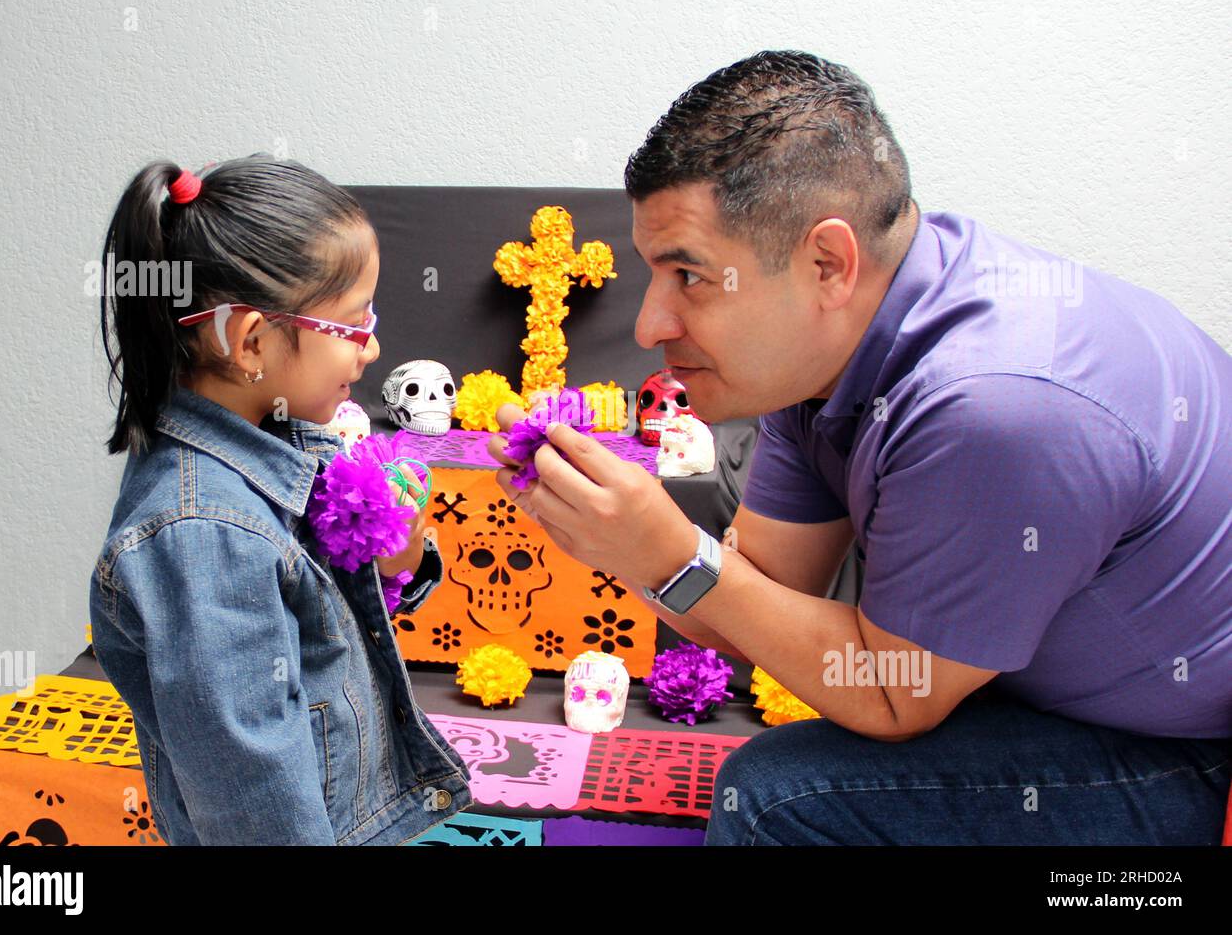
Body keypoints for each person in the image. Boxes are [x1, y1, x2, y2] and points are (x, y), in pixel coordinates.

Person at [488, 51, 1232, 844]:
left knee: (776, 796)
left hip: (1192, 753)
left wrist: (669, 554)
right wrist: (632, 547)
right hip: (1051, 695)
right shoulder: (830, 358)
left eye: (691, 277)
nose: (649, 325)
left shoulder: (993, 411)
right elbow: (750, 602)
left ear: (827, 264)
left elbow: (892, 696)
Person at [89, 154, 472, 844]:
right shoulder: (203, 533)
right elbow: (251, 794)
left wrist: (400, 552)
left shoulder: (282, 438)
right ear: (252, 341)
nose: (372, 347)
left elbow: (332, 609)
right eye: (354, 326)